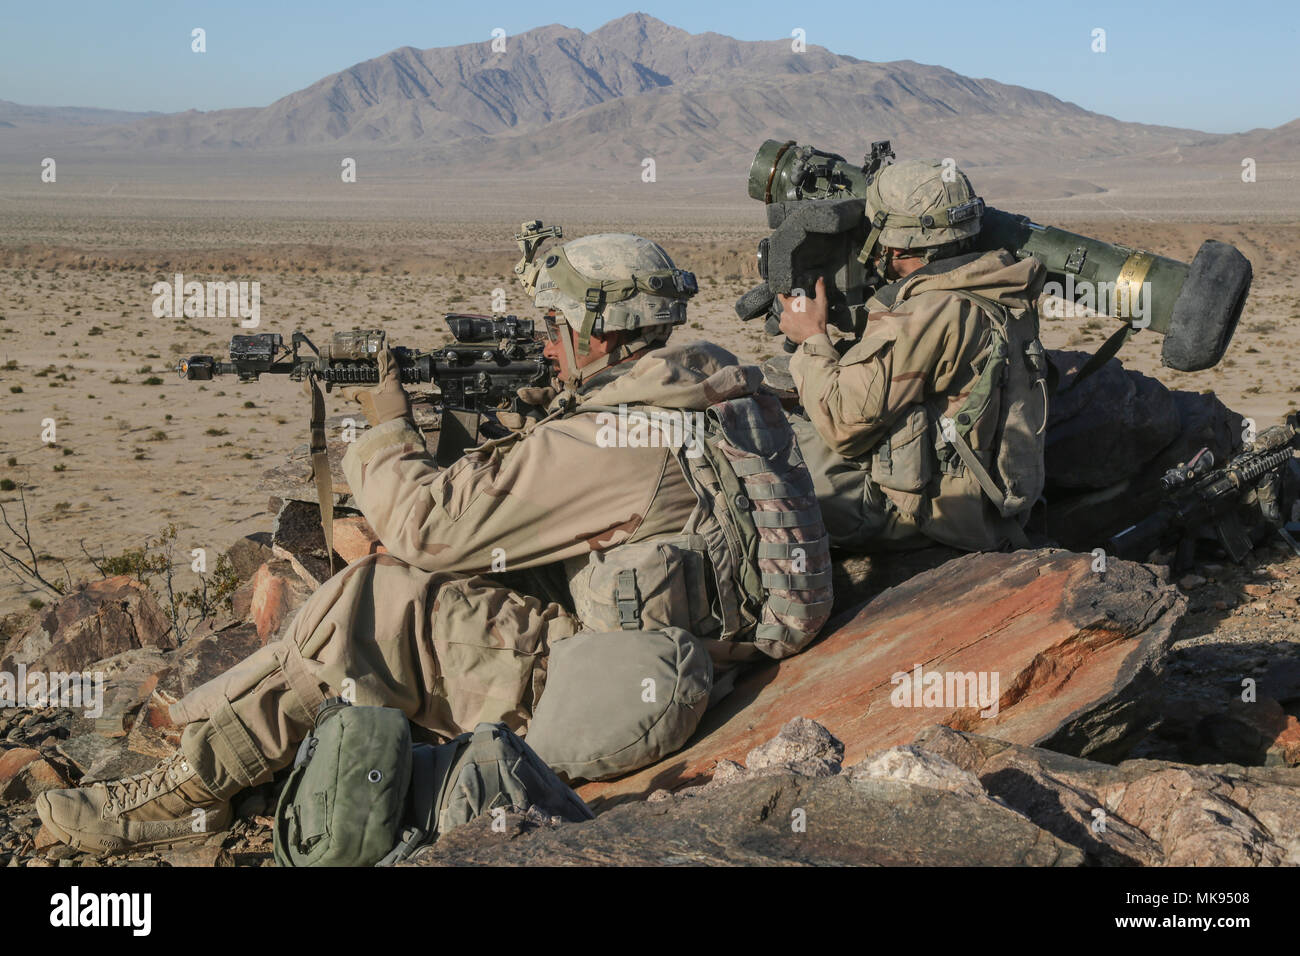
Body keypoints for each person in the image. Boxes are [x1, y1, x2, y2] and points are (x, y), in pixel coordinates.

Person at [36, 228, 831, 855]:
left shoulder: (617, 436)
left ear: (596, 330)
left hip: (619, 686)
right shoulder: (708, 386)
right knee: (384, 593)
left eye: (555, 329)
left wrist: (386, 427)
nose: (547, 345)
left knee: (376, 597)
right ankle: (219, 729)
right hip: (693, 654)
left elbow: (428, 527)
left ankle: (188, 796)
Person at [776, 159, 1049, 553]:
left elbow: (843, 422)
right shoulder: (1003, 286)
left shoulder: (930, 313)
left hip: (935, 515)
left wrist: (812, 338)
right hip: (992, 501)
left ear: (896, 243)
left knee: (777, 445)